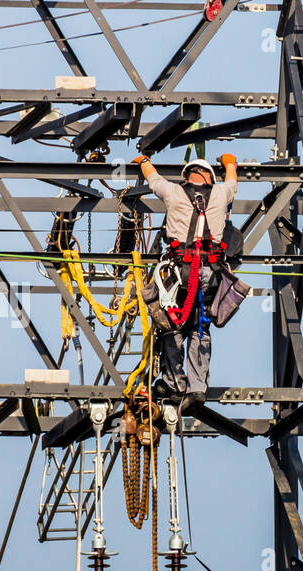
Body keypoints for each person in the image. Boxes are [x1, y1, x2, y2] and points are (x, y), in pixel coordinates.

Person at [132, 151, 238, 415]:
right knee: (199, 327)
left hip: (178, 273)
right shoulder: (221, 193)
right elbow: (233, 183)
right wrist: (230, 163)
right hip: (209, 272)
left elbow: (153, 179)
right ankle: (197, 387)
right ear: (210, 178)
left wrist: (144, 161)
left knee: (173, 325)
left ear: (187, 176)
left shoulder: (173, 192)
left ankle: (174, 382)